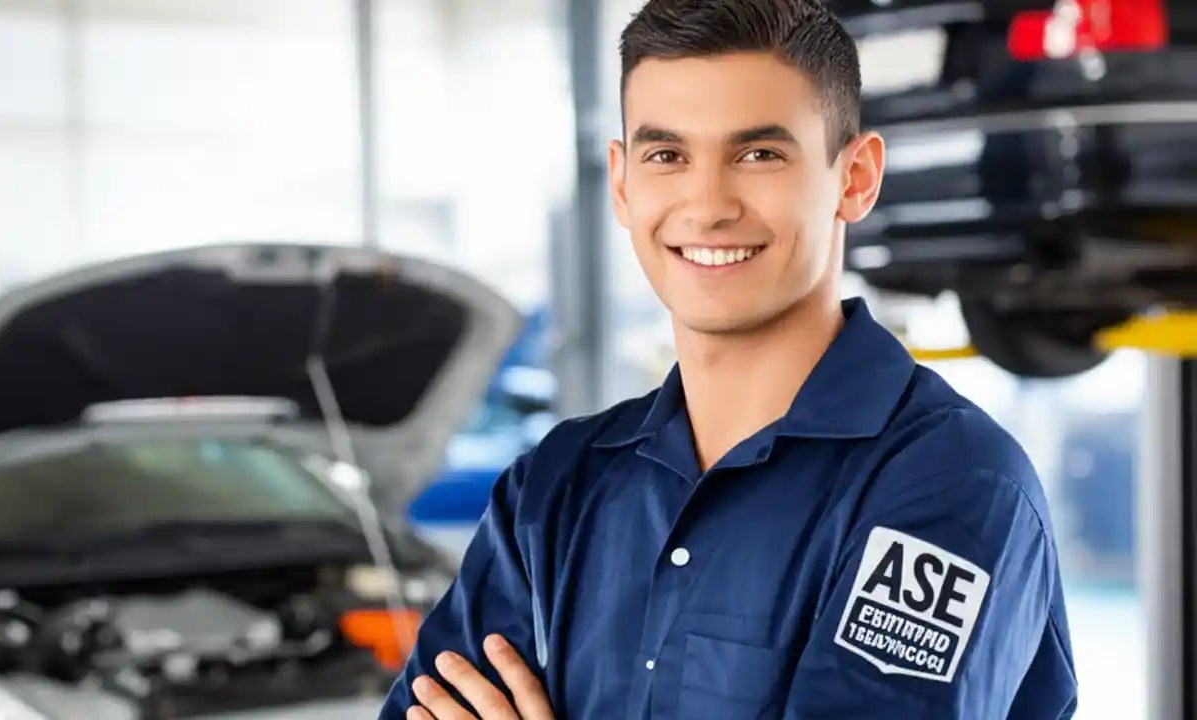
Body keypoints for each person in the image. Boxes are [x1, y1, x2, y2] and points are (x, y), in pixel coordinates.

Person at [379, 0, 1078, 717]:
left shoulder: (949, 487)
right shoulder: (555, 486)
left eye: (759, 155)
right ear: (622, 182)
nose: (707, 204)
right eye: (667, 156)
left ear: (856, 178)